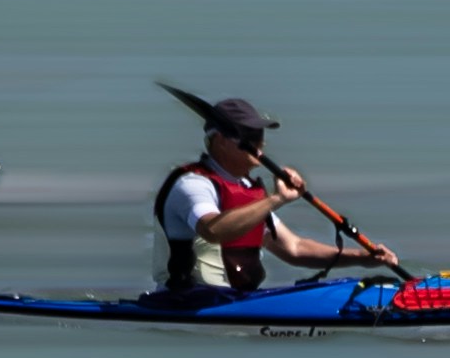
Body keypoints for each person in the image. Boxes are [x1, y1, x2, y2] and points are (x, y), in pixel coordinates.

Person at [149, 95, 403, 300]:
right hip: (186, 303)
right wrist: (276, 200)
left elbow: (295, 248)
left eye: (260, 135)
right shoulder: (193, 185)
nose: (260, 143)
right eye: (249, 135)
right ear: (219, 140)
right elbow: (213, 230)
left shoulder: (248, 191)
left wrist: (363, 258)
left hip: (238, 302)